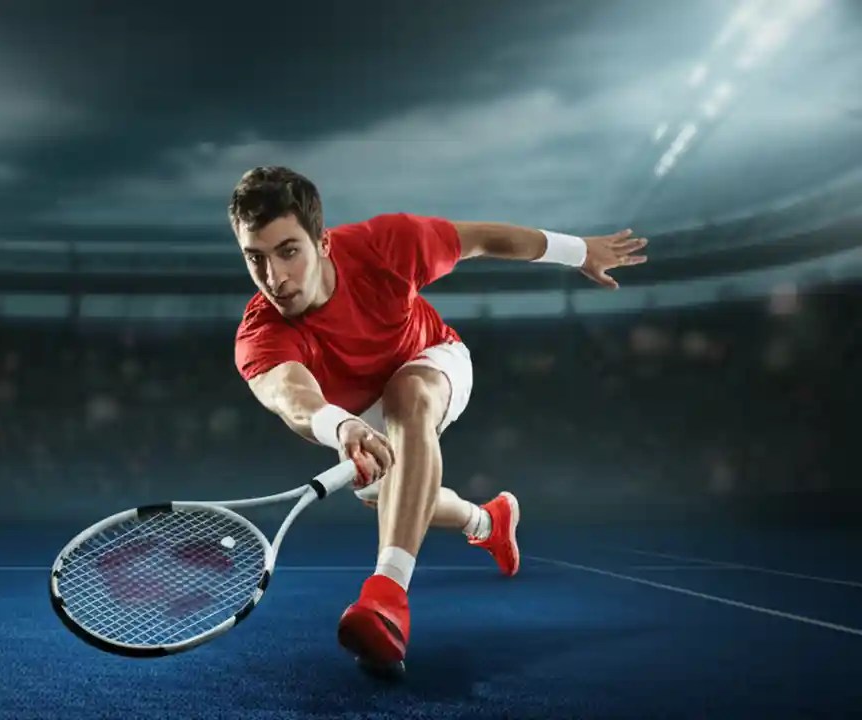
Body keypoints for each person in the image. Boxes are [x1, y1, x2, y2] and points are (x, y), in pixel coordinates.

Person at [230, 166, 647, 675]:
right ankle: (488, 521)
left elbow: (486, 239)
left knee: (407, 396)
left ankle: (386, 599)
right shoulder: (260, 333)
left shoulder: (387, 244)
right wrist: (341, 426)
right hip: (356, 419)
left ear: (322, 243)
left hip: (434, 362)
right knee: (401, 497)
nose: (275, 277)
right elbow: (291, 394)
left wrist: (580, 252)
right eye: (256, 258)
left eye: (287, 251)